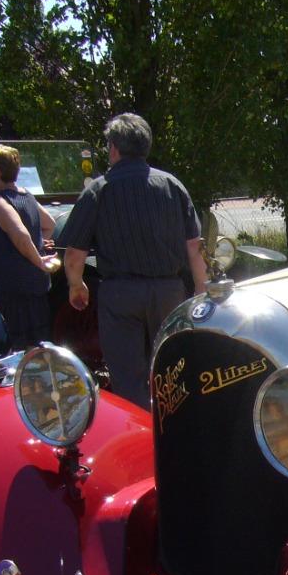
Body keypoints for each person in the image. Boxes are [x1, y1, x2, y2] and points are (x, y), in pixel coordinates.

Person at [59, 113, 207, 409]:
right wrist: (200, 289)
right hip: (169, 292)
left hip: (121, 295)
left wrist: (76, 285)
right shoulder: (172, 186)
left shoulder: (98, 190)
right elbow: (195, 247)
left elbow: (74, 255)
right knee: (173, 370)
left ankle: (140, 437)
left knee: (128, 377)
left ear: (113, 148)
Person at [0, 144, 58, 349]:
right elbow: (49, 224)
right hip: (36, 285)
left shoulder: (0, 200)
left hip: (14, 289)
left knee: (19, 347)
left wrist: (38, 259)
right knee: (41, 343)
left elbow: (20, 235)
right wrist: (39, 244)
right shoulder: (27, 195)